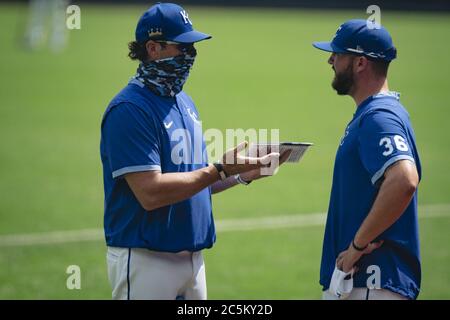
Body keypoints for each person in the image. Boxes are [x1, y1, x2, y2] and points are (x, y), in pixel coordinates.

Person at [100, 2, 289, 300]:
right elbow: (151, 193)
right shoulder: (129, 109)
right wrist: (220, 169)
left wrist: (241, 174)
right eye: (182, 47)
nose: (191, 55)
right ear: (153, 48)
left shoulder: (184, 102)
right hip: (147, 261)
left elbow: (196, 180)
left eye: (193, 46)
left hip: (193, 260)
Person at [312, 19, 421, 300]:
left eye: (338, 54)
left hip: (371, 283)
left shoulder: (378, 117)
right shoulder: (380, 112)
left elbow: (404, 180)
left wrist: (357, 247)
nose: (330, 60)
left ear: (360, 63)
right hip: (368, 283)